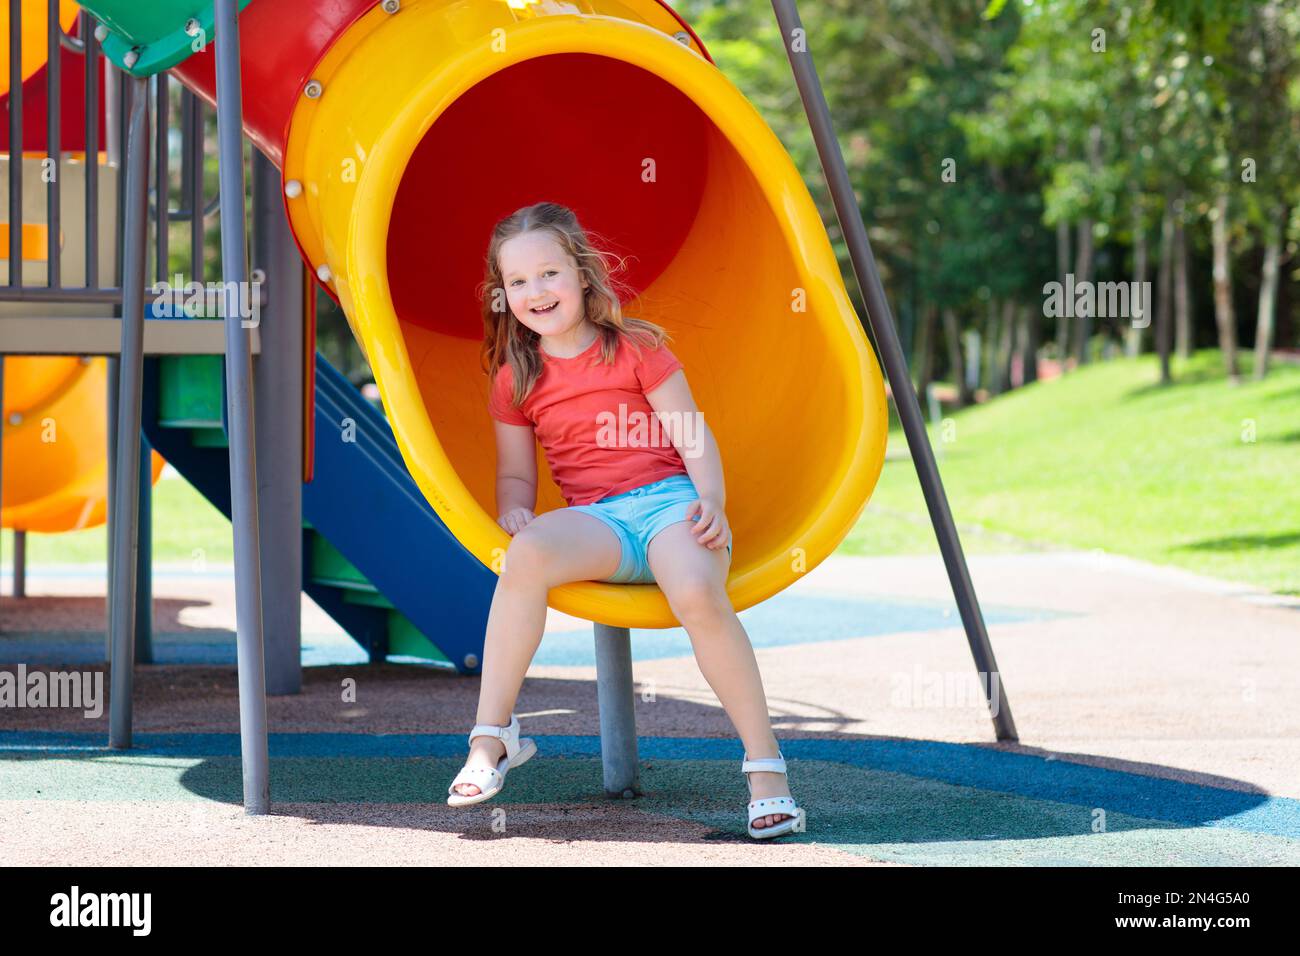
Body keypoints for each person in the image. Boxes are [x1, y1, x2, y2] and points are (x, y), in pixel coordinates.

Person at [446, 201, 804, 839]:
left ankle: (765, 768)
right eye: (519, 282)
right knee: (524, 553)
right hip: (599, 524)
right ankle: (493, 736)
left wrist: (711, 498)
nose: (537, 291)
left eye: (549, 273)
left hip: (669, 505)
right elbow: (515, 473)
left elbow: (691, 431)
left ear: (583, 274)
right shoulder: (515, 377)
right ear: (502, 295)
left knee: (696, 589)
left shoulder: (636, 348)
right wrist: (514, 507)